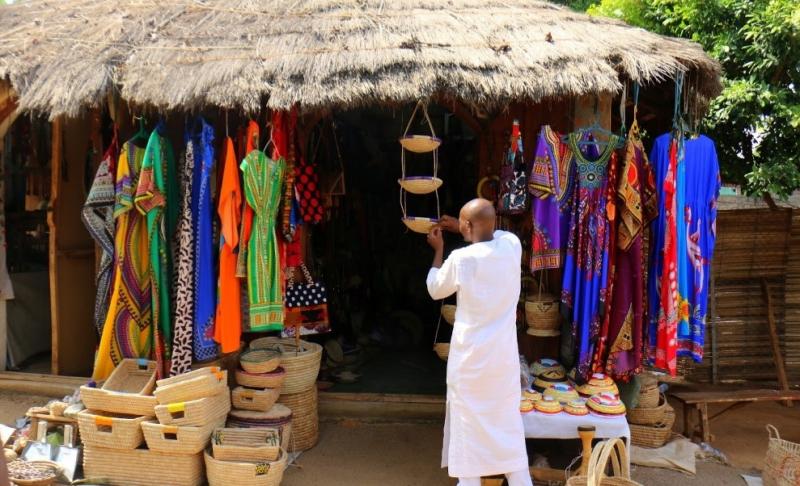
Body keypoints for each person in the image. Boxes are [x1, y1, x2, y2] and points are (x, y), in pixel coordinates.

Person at [426, 198, 532, 486]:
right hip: (502, 361)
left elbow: (436, 289)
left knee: (468, 427)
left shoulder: (461, 259)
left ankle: (469, 481)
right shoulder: (511, 246)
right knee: (507, 425)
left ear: (469, 226)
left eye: (463, 222)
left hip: (470, 362)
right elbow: (492, 232)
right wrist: (464, 225)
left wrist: (438, 252)